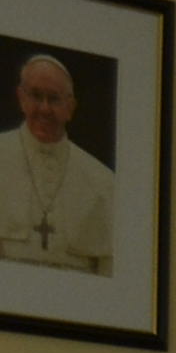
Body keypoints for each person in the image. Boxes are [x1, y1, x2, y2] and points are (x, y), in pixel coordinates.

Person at [4, 54, 113, 274]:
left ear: (70, 107)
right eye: (35, 95)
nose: (44, 108)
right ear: (21, 98)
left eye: (54, 98)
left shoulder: (103, 181)